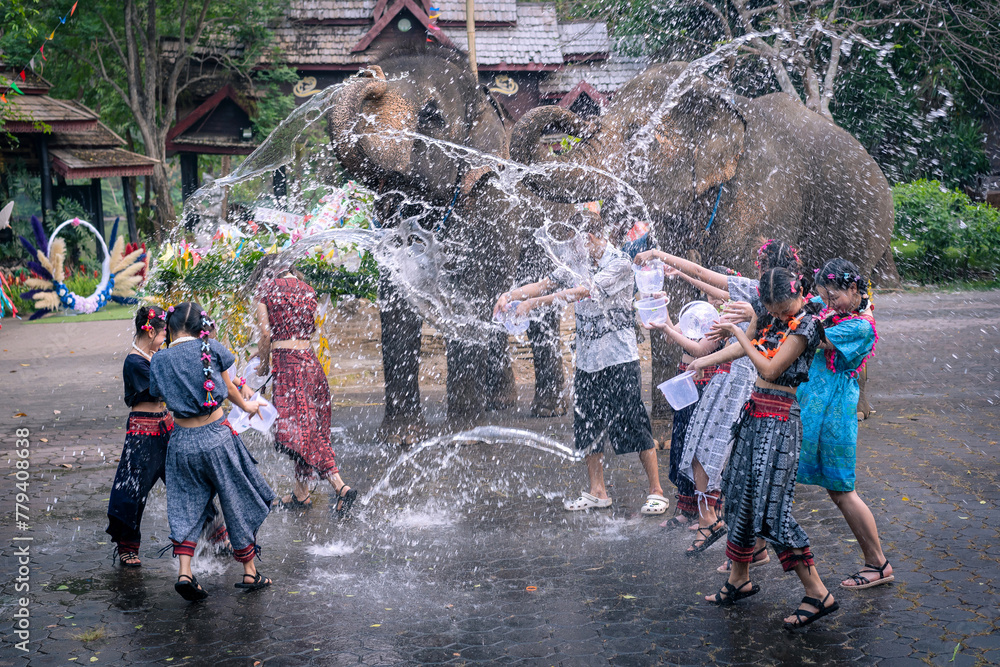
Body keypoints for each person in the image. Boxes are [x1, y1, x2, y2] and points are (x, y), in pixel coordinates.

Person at [635, 241, 802, 562]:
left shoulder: (760, 293)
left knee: (715, 457)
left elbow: (703, 273)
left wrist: (658, 256)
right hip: (739, 380)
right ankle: (729, 534)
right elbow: (708, 282)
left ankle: (712, 522)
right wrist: (681, 276)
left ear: (764, 266)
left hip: (738, 384)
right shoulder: (776, 296)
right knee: (717, 457)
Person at [494, 212, 667, 515]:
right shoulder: (576, 263)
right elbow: (543, 284)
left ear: (587, 238)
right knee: (587, 423)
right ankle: (597, 491)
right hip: (587, 359)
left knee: (634, 420)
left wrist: (533, 305)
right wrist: (510, 295)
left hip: (619, 357)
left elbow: (583, 291)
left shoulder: (620, 263)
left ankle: (656, 490)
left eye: (572, 242)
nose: (568, 250)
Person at [705, 267, 839, 630]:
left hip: (780, 422)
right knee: (737, 497)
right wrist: (702, 361)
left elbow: (767, 368)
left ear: (799, 294)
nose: (782, 316)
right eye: (774, 310)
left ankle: (817, 593)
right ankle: (739, 579)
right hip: (754, 414)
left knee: (771, 511)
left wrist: (738, 331)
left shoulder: (807, 325)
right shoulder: (767, 317)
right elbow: (746, 347)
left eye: (785, 307)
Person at [149, 302, 275, 601]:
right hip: (217, 438)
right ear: (200, 327)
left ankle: (185, 572)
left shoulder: (160, 359)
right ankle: (249, 571)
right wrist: (248, 406)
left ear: (170, 328)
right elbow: (229, 386)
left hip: (181, 442)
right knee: (236, 499)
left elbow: (157, 393)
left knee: (185, 503)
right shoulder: (211, 348)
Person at [798, 258, 893, 590]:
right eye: (824, 297)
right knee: (783, 479)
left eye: (833, 296)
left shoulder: (859, 326)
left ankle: (878, 563)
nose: (828, 303)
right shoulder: (836, 313)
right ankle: (754, 551)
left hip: (834, 417)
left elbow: (814, 338)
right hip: (816, 410)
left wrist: (787, 312)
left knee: (841, 491)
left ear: (853, 289)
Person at [250, 255, 357, 516]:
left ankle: (340, 487)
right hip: (311, 365)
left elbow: (266, 334)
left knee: (302, 433)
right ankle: (301, 494)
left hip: (289, 367)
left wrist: (263, 364)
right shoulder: (309, 291)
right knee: (308, 428)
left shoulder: (267, 290)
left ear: (268, 272)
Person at [639, 269, 732, 533]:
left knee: (701, 448)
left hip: (706, 385)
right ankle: (687, 507)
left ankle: (711, 510)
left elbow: (700, 349)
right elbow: (671, 335)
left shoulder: (724, 321)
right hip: (685, 381)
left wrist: (667, 326)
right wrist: (662, 310)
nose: (713, 300)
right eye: (710, 294)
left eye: (718, 296)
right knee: (681, 442)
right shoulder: (698, 312)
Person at [105, 306, 171, 567]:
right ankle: (127, 546)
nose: (165, 338)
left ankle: (215, 535)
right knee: (134, 490)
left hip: (165, 428)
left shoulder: (155, 355)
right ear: (151, 330)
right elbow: (162, 390)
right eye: (163, 333)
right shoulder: (135, 362)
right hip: (143, 433)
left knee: (187, 481)